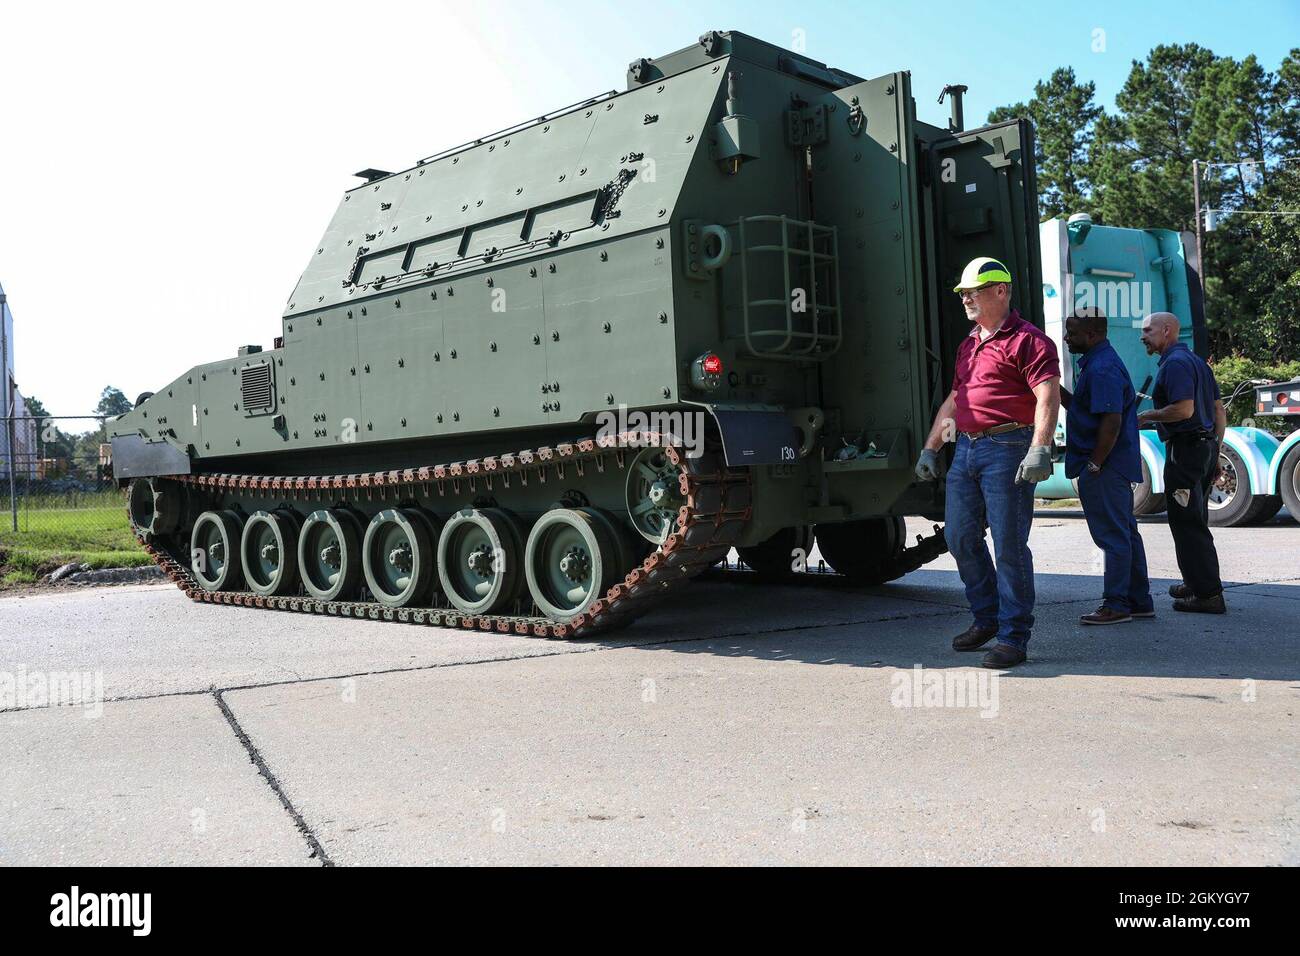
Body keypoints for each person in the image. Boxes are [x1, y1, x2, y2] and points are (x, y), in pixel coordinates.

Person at [915, 257, 1061, 668]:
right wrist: (932, 447)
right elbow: (956, 400)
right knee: (959, 536)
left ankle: (1014, 636)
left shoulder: (1030, 341)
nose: (965, 298)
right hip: (967, 448)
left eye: (972, 291)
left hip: (1009, 446)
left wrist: (1040, 447)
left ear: (1000, 290)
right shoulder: (969, 343)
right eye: (962, 293)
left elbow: (1047, 395)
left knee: (1010, 546)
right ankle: (987, 617)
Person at [1060, 308, 1153, 624]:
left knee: (1113, 536)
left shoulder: (1102, 369)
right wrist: (1052, 388)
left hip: (1106, 467)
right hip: (1111, 465)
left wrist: (1095, 464)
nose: (1066, 338)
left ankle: (1116, 605)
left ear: (1092, 334)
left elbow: (1111, 421)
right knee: (1125, 532)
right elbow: (1085, 409)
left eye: (1071, 333)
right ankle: (1138, 601)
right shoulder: (1097, 364)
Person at [1138, 311, 1228, 613]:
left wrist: (1144, 417)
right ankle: (1195, 581)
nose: (1143, 336)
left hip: (1186, 451)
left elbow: (1183, 410)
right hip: (1202, 449)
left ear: (1166, 331)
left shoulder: (1175, 364)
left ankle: (1208, 595)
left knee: (1187, 523)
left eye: (1148, 330)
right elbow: (1219, 411)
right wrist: (1214, 452)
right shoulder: (1197, 362)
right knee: (1194, 518)